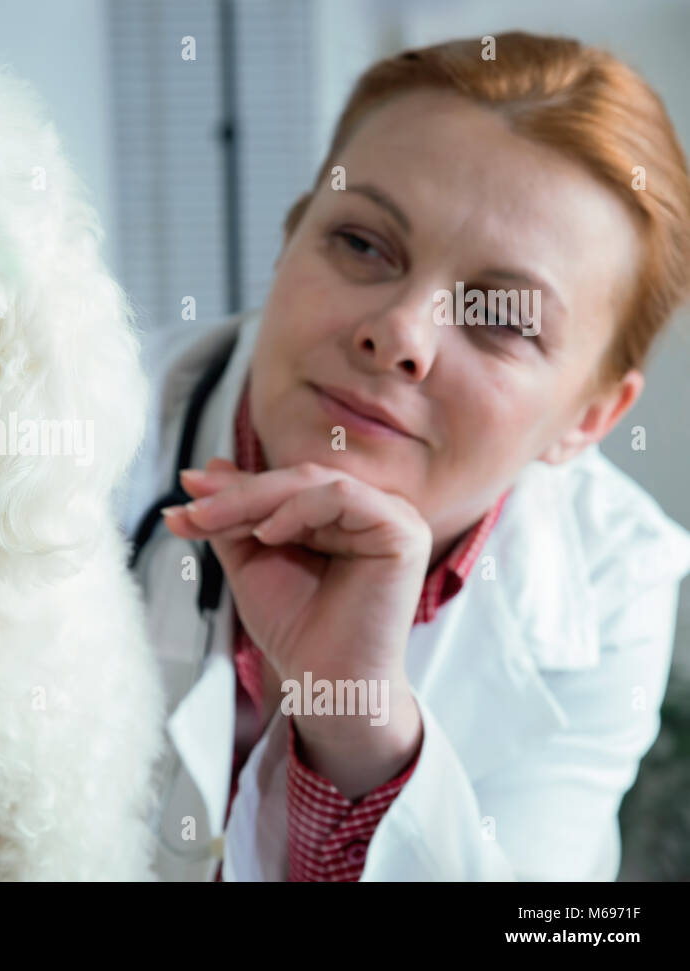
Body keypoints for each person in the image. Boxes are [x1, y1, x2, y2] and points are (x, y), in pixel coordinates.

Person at [132, 31, 690, 880]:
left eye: (502, 317)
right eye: (362, 243)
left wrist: (360, 730)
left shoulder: (615, 581)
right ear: (291, 236)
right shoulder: (70, 429)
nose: (398, 332)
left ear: (590, 416)